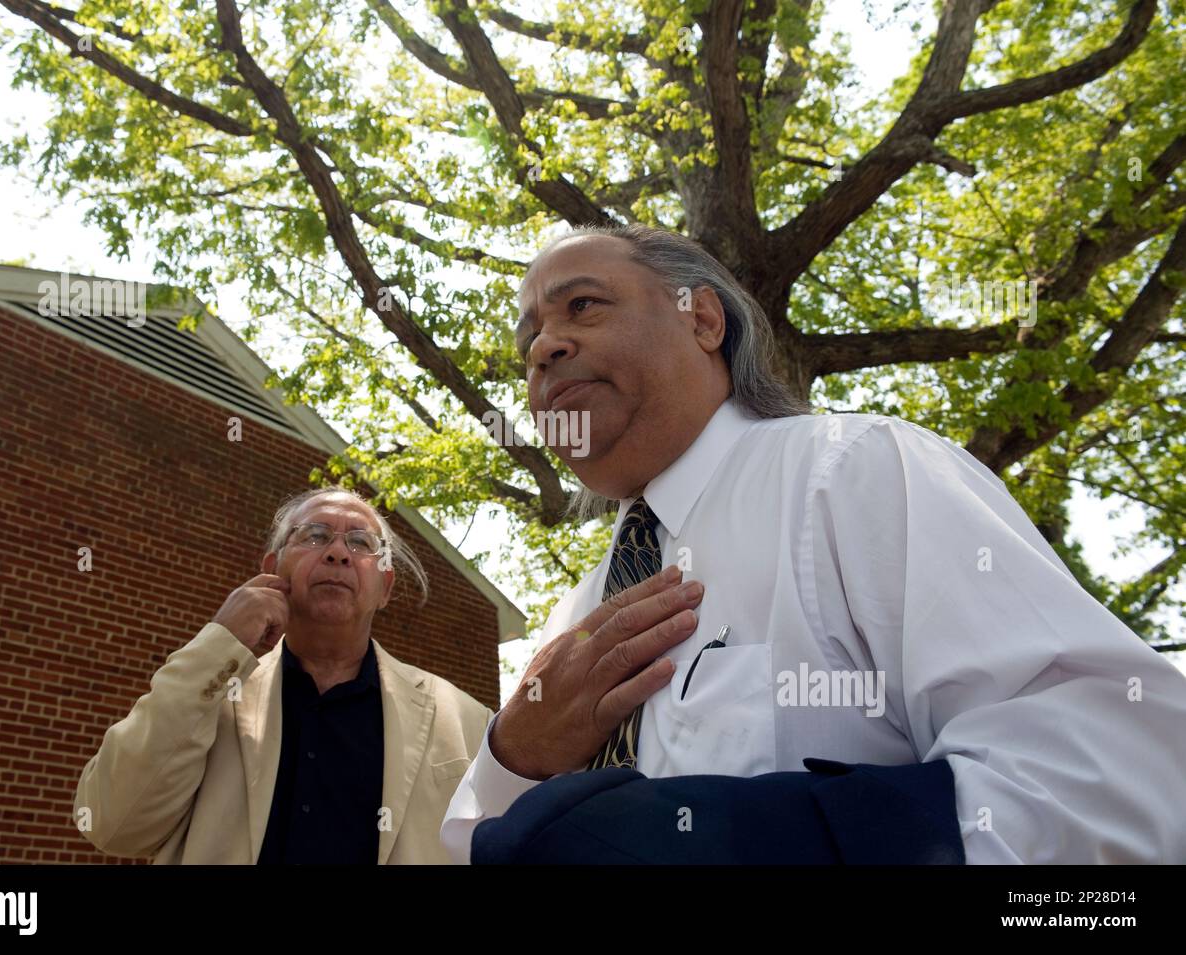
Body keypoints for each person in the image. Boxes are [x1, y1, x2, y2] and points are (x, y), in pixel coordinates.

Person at [440, 223, 1186, 864]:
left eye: (581, 305)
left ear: (702, 319)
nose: (544, 348)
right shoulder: (575, 615)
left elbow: (1124, 774)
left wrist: (783, 841)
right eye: (528, 339)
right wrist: (513, 757)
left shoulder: (855, 469)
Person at [75, 486, 490, 863]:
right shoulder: (212, 692)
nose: (338, 553)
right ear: (274, 568)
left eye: (361, 543)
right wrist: (219, 643)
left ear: (385, 587)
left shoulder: (465, 720)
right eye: (314, 535)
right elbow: (111, 825)